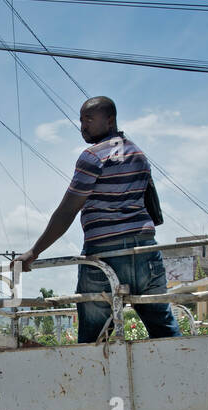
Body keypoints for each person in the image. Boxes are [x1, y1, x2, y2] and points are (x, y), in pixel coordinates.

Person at [18, 96, 182, 343]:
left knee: (94, 341)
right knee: (165, 332)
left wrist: (34, 252)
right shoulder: (139, 155)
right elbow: (151, 207)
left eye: (89, 120)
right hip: (145, 253)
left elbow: (67, 211)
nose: (82, 126)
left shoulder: (92, 157)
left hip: (106, 255)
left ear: (110, 120)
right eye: (81, 120)